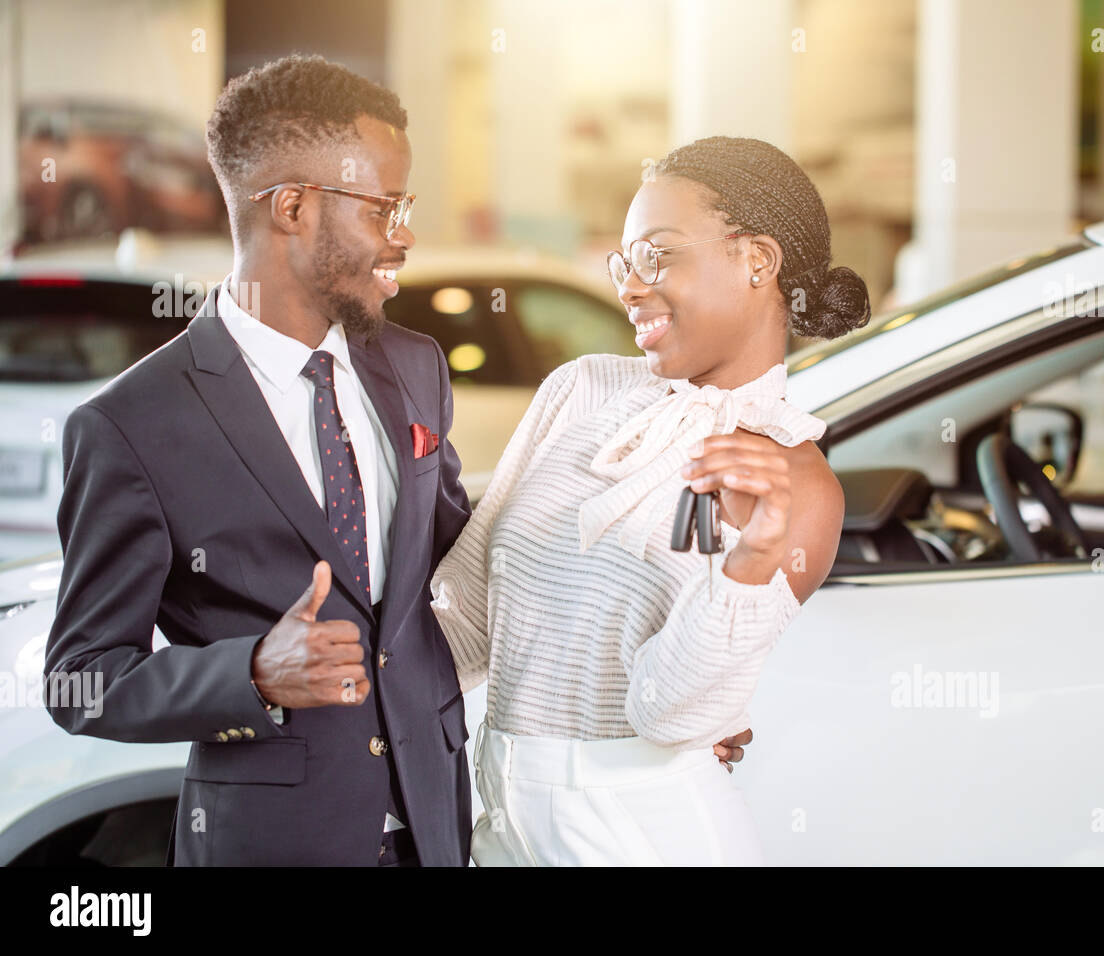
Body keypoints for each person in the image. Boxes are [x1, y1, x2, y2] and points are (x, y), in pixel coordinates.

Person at [44, 54, 473, 866]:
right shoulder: (132, 425)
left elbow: (465, 568)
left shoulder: (416, 367)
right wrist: (252, 672)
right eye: (385, 207)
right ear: (294, 207)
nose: (404, 233)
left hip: (432, 826)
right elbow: (82, 679)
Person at [431, 136, 868, 865]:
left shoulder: (798, 483)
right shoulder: (581, 389)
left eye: (657, 256)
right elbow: (463, 622)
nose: (630, 288)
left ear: (757, 260)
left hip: (642, 832)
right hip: (503, 817)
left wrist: (751, 558)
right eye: (625, 262)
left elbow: (668, 713)